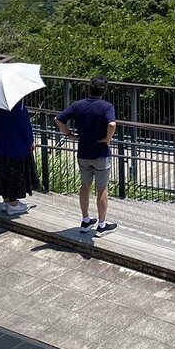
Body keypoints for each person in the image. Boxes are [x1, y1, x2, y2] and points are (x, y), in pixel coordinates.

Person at [55, 76, 118, 235]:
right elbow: (112, 124)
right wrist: (107, 139)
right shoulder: (106, 106)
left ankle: (85, 220)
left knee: (85, 186)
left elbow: (58, 119)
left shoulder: (78, 105)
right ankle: (102, 225)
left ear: (89, 89)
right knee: (102, 188)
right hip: (100, 153)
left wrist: (69, 135)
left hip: (83, 152)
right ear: (104, 90)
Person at [0, 97, 38, 215]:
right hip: (17, 148)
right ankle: (13, 204)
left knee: (4, 174)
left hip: (2, 147)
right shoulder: (20, 109)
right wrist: (31, 142)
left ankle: (6, 201)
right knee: (16, 177)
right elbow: (26, 129)